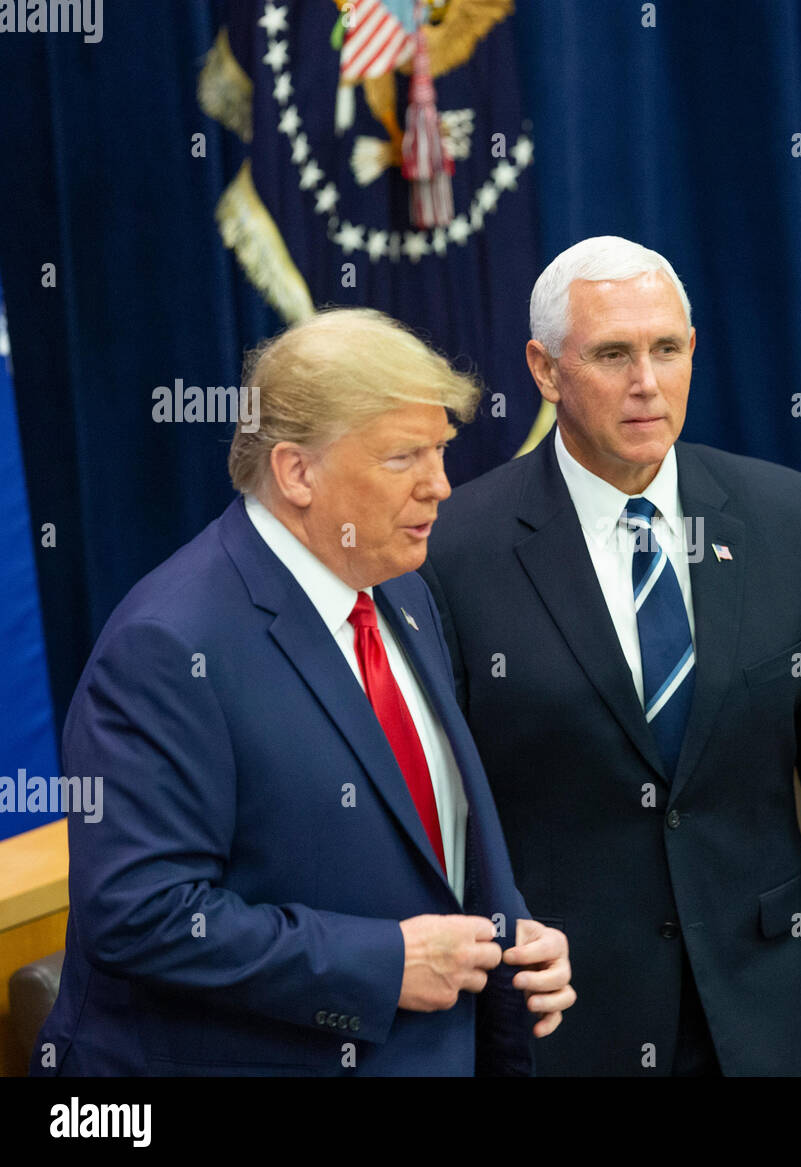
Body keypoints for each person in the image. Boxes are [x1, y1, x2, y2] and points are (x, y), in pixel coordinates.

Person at [419, 236, 801, 1077]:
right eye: (612, 354)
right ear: (545, 369)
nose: (647, 381)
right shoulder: (454, 550)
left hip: (764, 1011)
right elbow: (441, 816)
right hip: (568, 1020)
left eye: (667, 348)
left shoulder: (782, 517)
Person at [32, 308, 574, 1076]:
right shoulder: (168, 647)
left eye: (441, 450)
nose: (441, 486)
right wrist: (383, 962)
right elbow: (139, 913)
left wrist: (510, 933)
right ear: (296, 472)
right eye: (403, 457)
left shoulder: (401, 589)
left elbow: (431, 832)